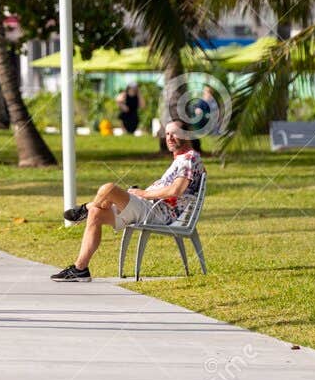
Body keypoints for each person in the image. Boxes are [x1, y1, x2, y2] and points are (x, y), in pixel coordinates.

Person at [50, 120, 206, 282]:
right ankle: (80, 269)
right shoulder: (181, 159)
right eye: (167, 134)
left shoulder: (189, 158)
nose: (169, 138)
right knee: (96, 213)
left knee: (108, 189)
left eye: (174, 133)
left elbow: (176, 190)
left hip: (159, 213)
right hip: (151, 209)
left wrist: (143, 193)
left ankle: (85, 208)